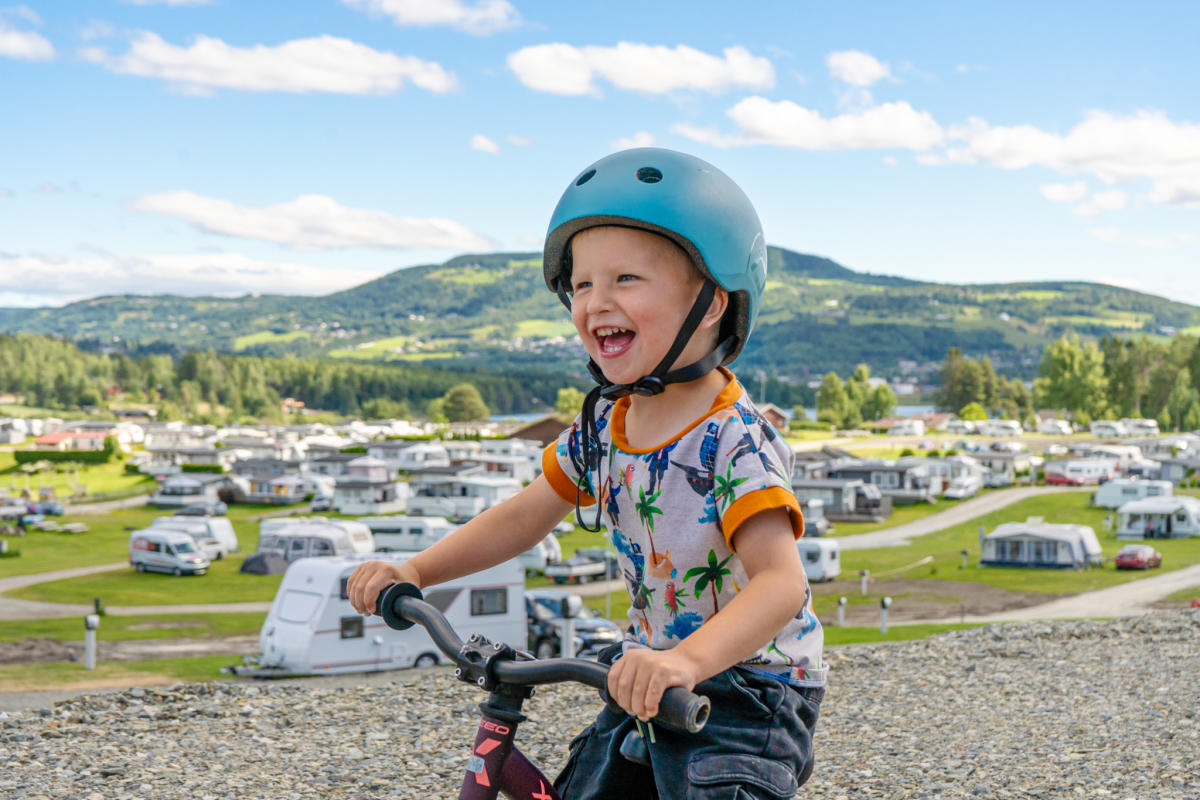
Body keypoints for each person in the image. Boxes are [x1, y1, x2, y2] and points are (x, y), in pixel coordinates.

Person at [348, 148, 825, 799]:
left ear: (713, 302)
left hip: (750, 685)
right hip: (648, 672)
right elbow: (522, 515)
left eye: (626, 278)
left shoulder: (733, 439)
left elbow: (781, 584)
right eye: (582, 284)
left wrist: (685, 661)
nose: (597, 301)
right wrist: (415, 571)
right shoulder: (606, 424)